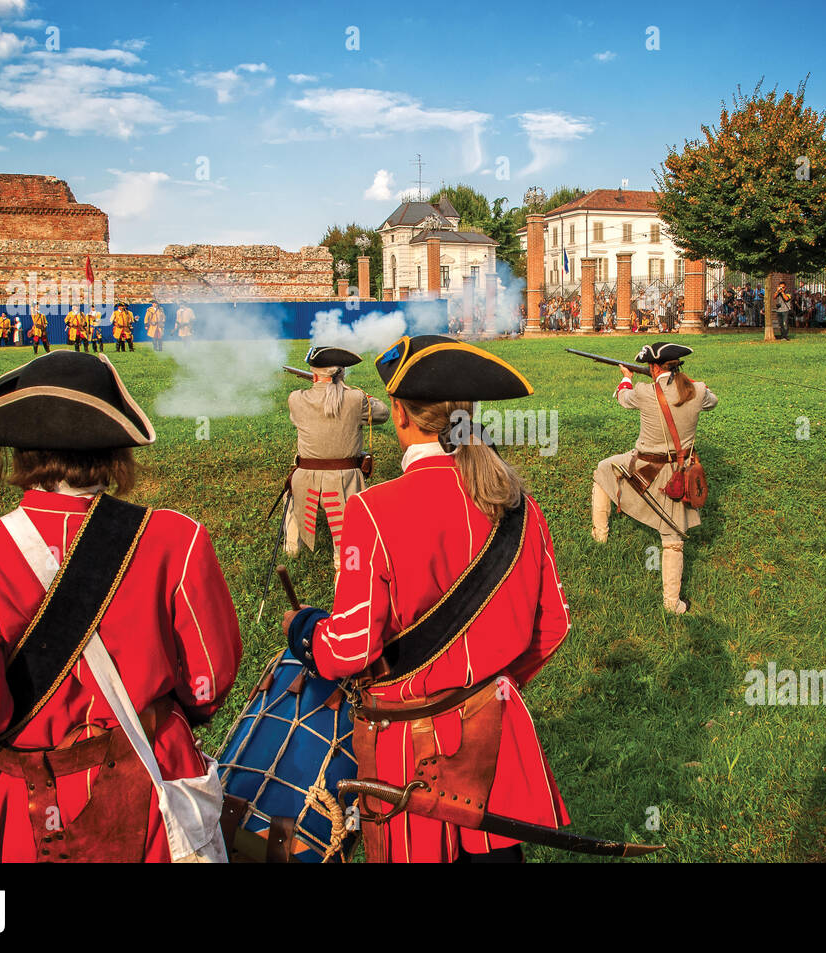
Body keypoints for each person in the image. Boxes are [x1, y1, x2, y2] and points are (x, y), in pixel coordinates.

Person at [0, 350, 242, 861]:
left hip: (33, 805)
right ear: (114, 450)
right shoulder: (178, 537)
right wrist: (164, 714)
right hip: (155, 777)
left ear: (18, 447)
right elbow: (210, 680)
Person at [282, 334, 571, 863]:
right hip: (497, 736)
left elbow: (348, 651)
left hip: (407, 752)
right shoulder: (521, 507)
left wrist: (303, 630)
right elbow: (552, 627)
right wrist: (487, 688)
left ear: (398, 413)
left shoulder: (374, 510)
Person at [592, 342, 718, 613]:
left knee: (603, 468)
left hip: (645, 469)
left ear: (652, 367)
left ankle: (599, 534)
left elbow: (622, 398)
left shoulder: (644, 391)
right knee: (673, 541)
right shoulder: (698, 391)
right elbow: (713, 401)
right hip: (679, 474)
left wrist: (626, 377)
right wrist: (691, 382)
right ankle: (672, 603)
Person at [283, 346, 391, 571]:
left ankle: (292, 546)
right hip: (345, 481)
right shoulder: (355, 398)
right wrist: (353, 392)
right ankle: (343, 562)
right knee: (348, 529)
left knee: (290, 494)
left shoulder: (295, 399)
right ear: (340, 374)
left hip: (305, 481)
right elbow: (382, 413)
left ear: (313, 374)